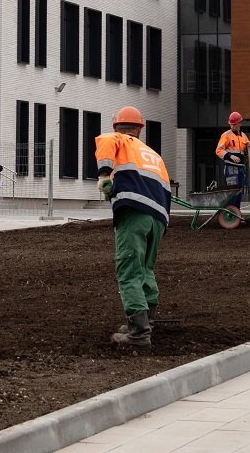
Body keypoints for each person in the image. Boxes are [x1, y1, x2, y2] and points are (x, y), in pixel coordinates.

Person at [96, 106, 171, 347]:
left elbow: (106, 141)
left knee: (128, 268)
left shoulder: (117, 139)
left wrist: (104, 175)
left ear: (117, 127)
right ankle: (147, 320)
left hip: (134, 211)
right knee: (145, 268)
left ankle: (139, 332)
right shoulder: (152, 154)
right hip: (158, 217)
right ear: (140, 129)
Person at [216, 111, 250, 190]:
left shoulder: (244, 136)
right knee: (232, 191)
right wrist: (230, 156)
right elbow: (219, 150)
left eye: (234, 124)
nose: (232, 126)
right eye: (231, 124)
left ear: (239, 123)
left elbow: (245, 152)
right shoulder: (226, 135)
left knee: (239, 191)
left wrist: (248, 146)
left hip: (241, 168)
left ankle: (236, 203)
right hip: (231, 167)